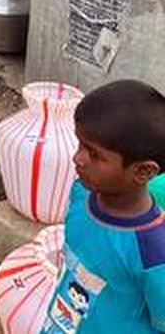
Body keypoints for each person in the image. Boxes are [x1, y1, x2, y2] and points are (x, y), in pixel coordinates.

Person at [49, 80, 165, 334]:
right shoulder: (81, 194)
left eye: (94, 154)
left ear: (143, 171)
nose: (77, 158)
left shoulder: (155, 251)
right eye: (80, 144)